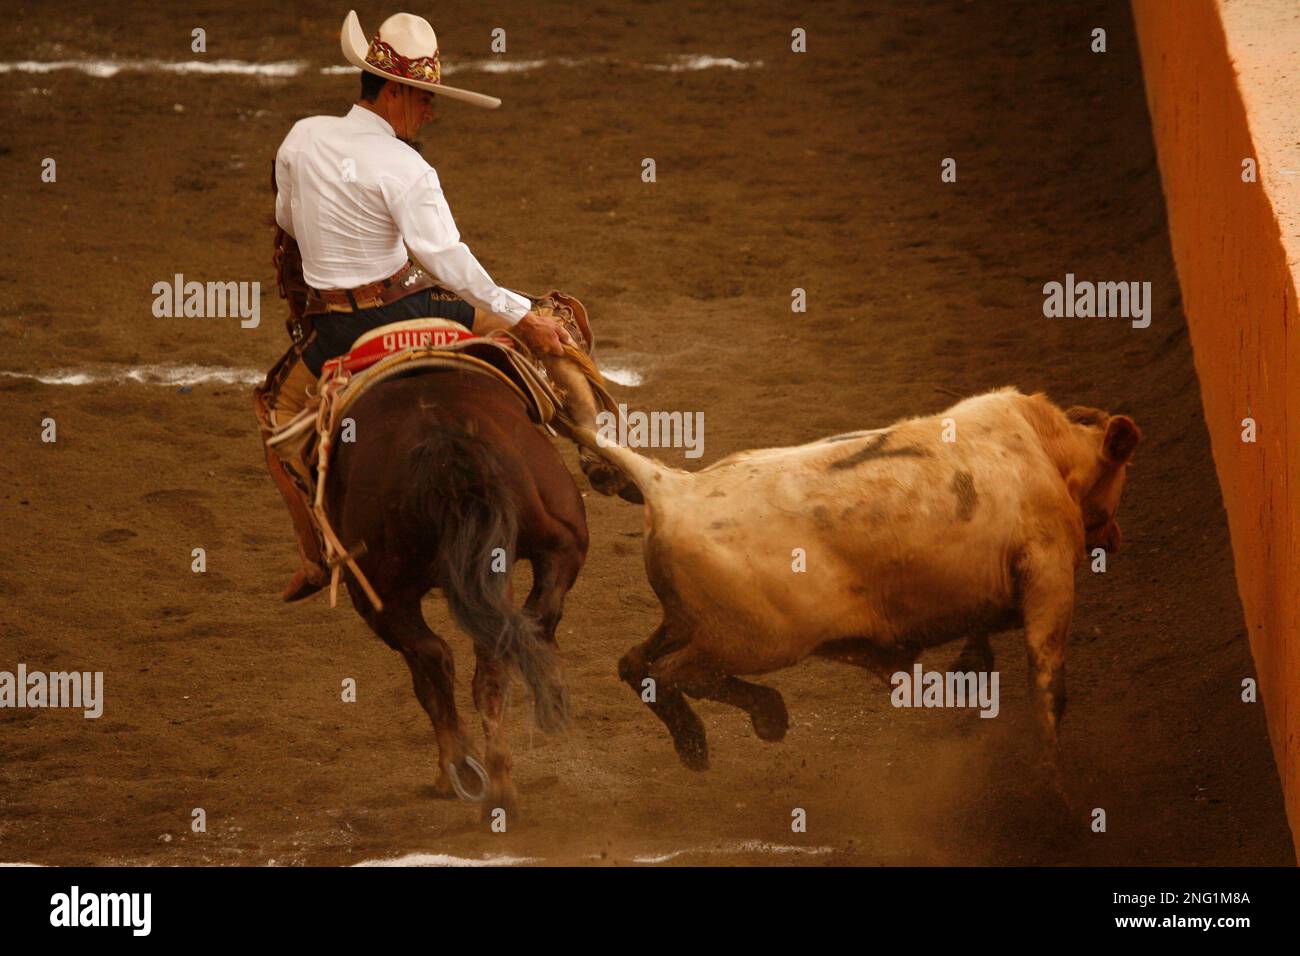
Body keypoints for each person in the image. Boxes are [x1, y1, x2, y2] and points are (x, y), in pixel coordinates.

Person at [260, 10, 604, 603]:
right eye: (423, 99)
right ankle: (593, 440)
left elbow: (288, 220)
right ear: (393, 92)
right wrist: (522, 314)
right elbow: (445, 257)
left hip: (334, 337)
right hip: (410, 307)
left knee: (274, 415)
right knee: (554, 316)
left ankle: (316, 558)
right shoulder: (408, 167)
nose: (430, 112)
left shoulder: (301, 137)